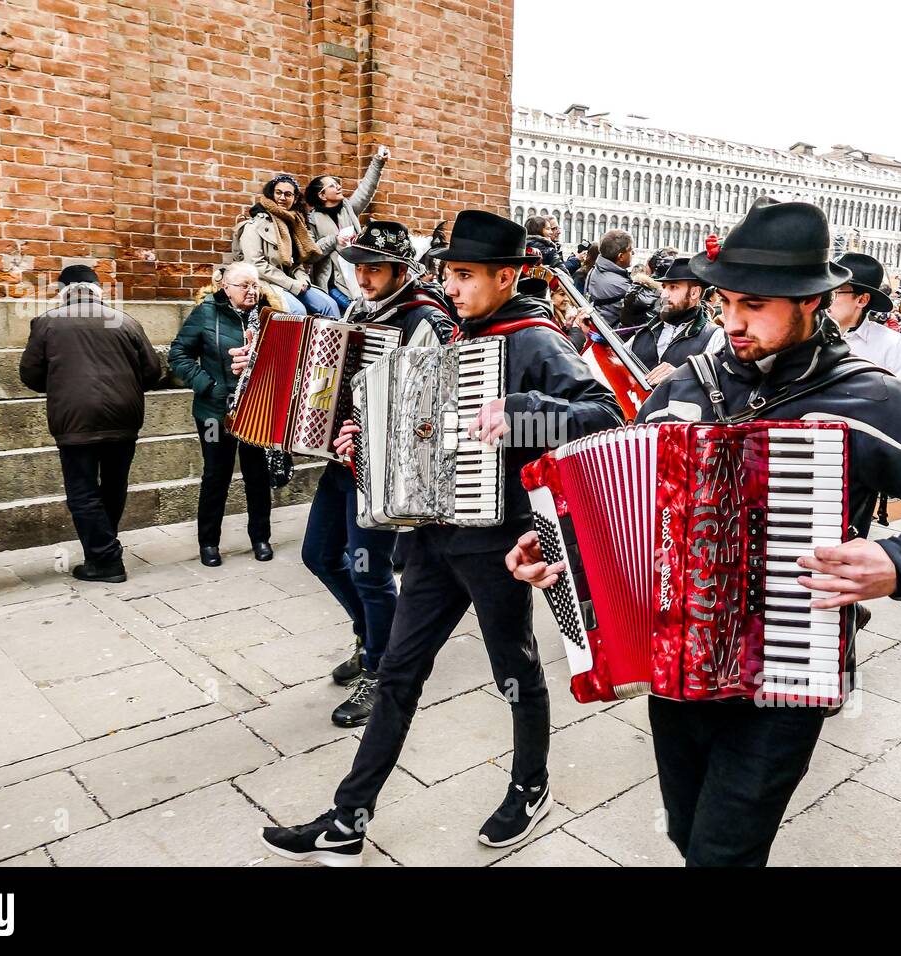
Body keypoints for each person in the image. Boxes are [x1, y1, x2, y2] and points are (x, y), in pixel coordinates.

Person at [506, 200, 901, 866]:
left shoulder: (871, 398)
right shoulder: (682, 391)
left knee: (721, 854)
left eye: (756, 305)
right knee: (689, 835)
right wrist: (562, 550)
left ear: (813, 302)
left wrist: (900, 561)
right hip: (674, 667)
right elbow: (625, 514)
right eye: (727, 302)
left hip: (783, 676)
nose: (732, 322)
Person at [259, 211, 623, 866]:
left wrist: (526, 413)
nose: (449, 286)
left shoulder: (536, 340)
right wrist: (363, 443)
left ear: (506, 276)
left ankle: (531, 783)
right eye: (448, 273)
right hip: (432, 537)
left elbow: (607, 415)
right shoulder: (457, 334)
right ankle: (349, 820)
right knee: (397, 674)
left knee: (514, 668)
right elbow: (419, 427)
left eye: (463, 275)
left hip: (500, 540)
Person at [232, 221, 454, 726]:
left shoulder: (426, 319)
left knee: (369, 571)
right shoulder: (357, 311)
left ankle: (384, 668)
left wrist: (370, 430)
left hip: (383, 470)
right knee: (318, 555)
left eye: (374, 268)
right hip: (342, 460)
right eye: (359, 267)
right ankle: (374, 635)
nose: (364, 277)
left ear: (402, 269)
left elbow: (433, 412)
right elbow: (320, 377)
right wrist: (260, 364)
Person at [19, 265, 163, 583]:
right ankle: (102, 553)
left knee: (82, 491)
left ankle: (107, 559)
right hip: (123, 418)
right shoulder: (127, 322)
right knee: (113, 485)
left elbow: (29, 375)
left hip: (75, 419)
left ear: (63, 291)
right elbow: (153, 372)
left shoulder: (46, 323)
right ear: (98, 290)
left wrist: (62, 385)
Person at [168, 262, 273, 567]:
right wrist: (206, 384)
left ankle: (261, 538)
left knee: (257, 475)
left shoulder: (270, 316)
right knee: (216, 475)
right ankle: (209, 543)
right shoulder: (206, 313)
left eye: (255, 285)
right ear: (225, 287)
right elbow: (178, 354)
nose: (252, 291)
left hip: (256, 409)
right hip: (215, 411)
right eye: (245, 285)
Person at [231, 175, 339, 317]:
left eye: (288, 194)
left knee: (329, 305)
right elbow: (255, 264)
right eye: (278, 193)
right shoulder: (255, 225)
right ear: (271, 194)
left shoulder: (295, 224)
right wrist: (290, 284)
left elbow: (297, 263)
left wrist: (303, 280)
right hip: (265, 281)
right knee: (297, 311)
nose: (282, 198)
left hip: (292, 281)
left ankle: (326, 339)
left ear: (294, 199)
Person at [831, 253, 901, 404]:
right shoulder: (805, 336)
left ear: (862, 300)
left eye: (834, 293)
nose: (824, 300)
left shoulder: (893, 345)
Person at [305, 146, 390, 312]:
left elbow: (366, 189)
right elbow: (310, 253)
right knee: (357, 312)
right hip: (333, 284)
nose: (338, 186)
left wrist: (378, 162)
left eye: (337, 184)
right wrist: (334, 240)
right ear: (322, 195)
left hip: (357, 277)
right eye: (332, 185)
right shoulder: (312, 220)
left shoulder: (347, 208)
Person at [626, 257, 725, 384]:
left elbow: (722, 388)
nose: (664, 295)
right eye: (664, 287)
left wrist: (682, 377)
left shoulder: (715, 337)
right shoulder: (646, 330)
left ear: (694, 293)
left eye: (673, 287)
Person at [583, 229, 639, 327]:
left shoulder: (596, 270)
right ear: (621, 256)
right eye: (630, 250)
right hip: (610, 337)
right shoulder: (621, 286)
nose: (633, 253)